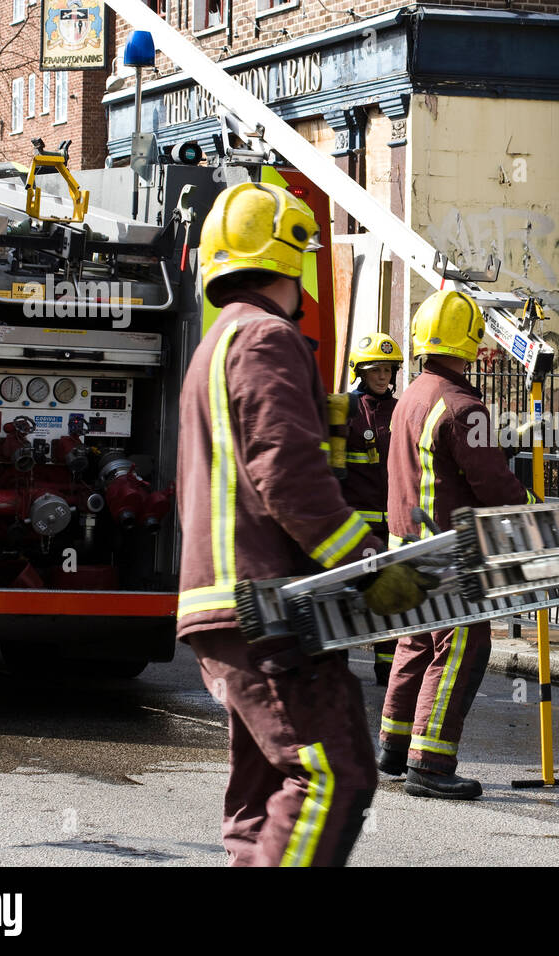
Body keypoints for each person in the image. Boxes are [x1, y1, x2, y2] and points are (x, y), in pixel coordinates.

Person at [176, 181, 433, 866]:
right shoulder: (265, 336)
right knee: (330, 773)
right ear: (293, 258)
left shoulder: (216, 344)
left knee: (262, 805)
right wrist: (370, 568)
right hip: (267, 610)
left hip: (229, 610)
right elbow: (287, 471)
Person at [377, 289, 538, 800]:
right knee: (463, 646)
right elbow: (491, 485)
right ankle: (430, 763)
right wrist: (532, 503)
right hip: (446, 549)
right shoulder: (462, 405)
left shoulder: (412, 395)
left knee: (415, 642)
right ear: (471, 343)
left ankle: (393, 749)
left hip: (405, 543)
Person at [338, 332, 404, 685]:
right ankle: (337, 665)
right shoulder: (345, 411)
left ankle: (386, 668)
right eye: (376, 370)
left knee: (388, 598)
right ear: (360, 372)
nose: (383, 377)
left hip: (390, 527)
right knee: (346, 598)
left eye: (388, 370)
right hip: (353, 528)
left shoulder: (399, 410)